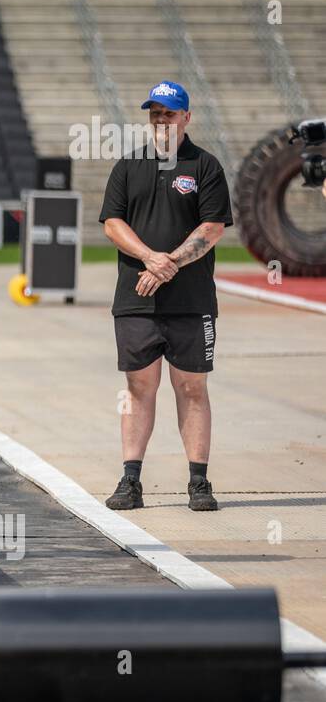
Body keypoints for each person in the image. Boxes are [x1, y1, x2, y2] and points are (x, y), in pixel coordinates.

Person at [99, 80, 233, 512]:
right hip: (136, 298)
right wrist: (148, 257)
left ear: (186, 118)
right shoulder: (128, 166)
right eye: (155, 113)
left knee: (192, 388)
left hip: (191, 301)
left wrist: (169, 263)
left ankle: (198, 482)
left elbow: (212, 229)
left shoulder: (205, 166)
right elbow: (112, 224)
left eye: (169, 113)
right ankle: (131, 480)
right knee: (139, 387)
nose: (161, 120)